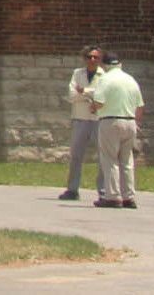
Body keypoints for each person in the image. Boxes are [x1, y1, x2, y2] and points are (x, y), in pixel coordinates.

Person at [90, 50, 144, 208]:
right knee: (127, 160)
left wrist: (93, 108)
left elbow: (99, 102)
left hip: (110, 121)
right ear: (120, 64)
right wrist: (133, 120)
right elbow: (140, 106)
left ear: (104, 65)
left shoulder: (104, 79)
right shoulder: (130, 79)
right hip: (130, 121)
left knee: (110, 159)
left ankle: (113, 196)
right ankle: (129, 196)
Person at [59, 44, 103, 200]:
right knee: (76, 155)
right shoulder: (77, 73)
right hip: (80, 117)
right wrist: (90, 96)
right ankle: (72, 189)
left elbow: (102, 95)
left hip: (98, 118)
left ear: (99, 59)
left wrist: (84, 91)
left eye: (95, 57)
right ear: (84, 59)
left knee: (102, 155)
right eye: (89, 57)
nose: (92, 60)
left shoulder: (103, 75)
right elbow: (72, 95)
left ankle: (103, 190)